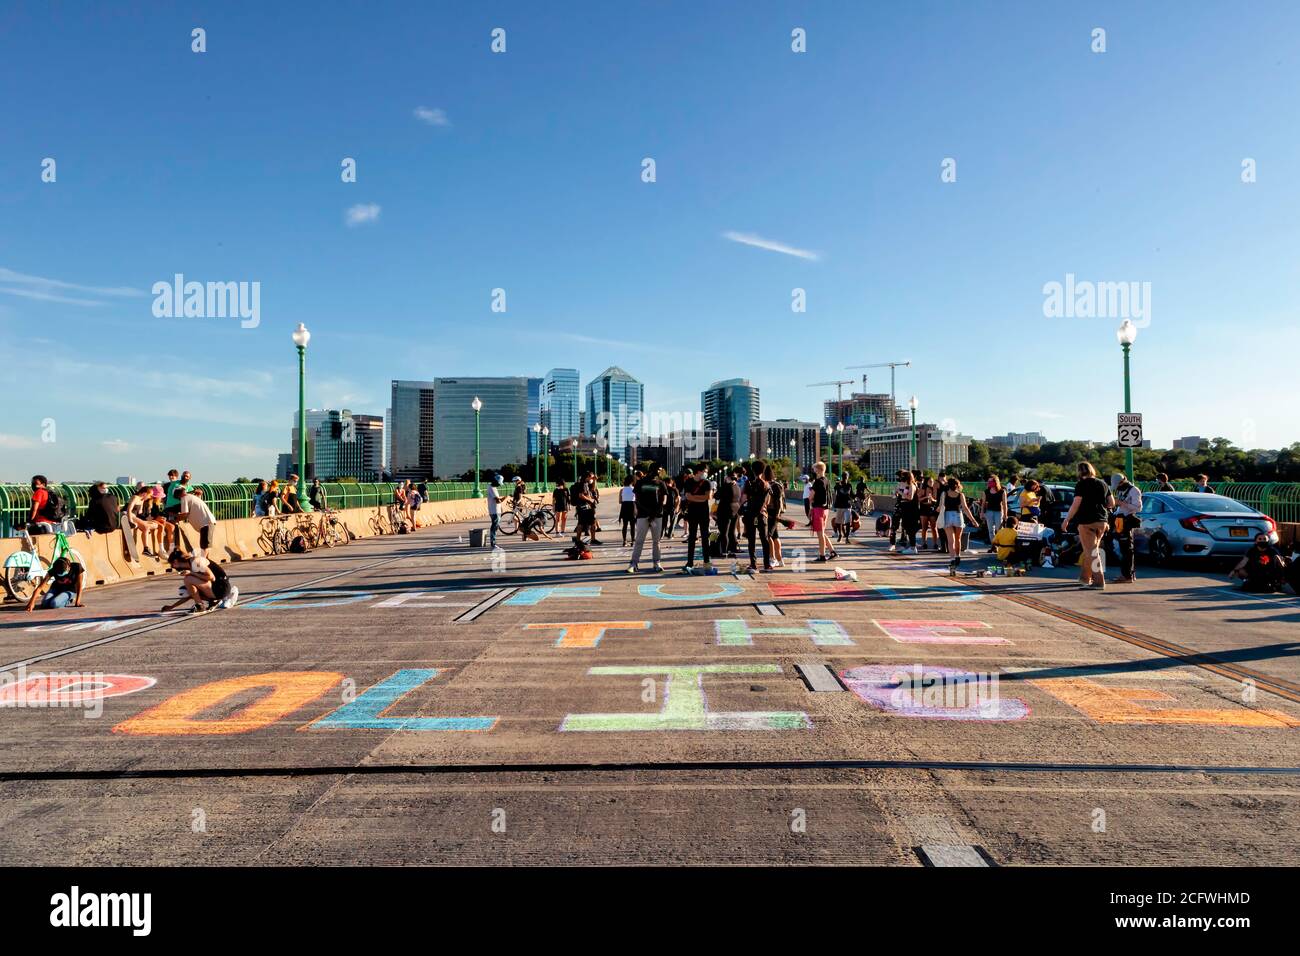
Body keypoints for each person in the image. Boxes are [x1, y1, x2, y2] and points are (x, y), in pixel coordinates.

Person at [1060, 461, 1115, 590]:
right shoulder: (1103, 483)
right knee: (1090, 550)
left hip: (1086, 521)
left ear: (1079, 472)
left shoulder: (1081, 485)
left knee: (1091, 552)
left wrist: (1066, 520)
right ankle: (1085, 578)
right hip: (1102, 521)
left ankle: (1099, 581)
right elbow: (1111, 503)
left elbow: (1076, 504)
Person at [159, 549, 238, 613]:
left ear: (176, 561)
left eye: (172, 565)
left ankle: (200, 606)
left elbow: (211, 577)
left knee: (188, 579)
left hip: (222, 588)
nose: (173, 567)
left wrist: (191, 573)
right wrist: (172, 607)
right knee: (187, 588)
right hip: (216, 588)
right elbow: (191, 594)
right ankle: (213, 601)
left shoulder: (195, 562)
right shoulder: (190, 565)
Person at [627, 468, 666, 573]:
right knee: (639, 541)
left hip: (657, 516)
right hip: (643, 515)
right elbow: (637, 499)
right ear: (650, 471)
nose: (658, 473)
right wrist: (648, 512)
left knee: (656, 541)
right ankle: (634, 563)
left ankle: (656, 562)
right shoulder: (640, 483)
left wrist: (654, 513)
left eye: (659, 471)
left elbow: (663, 500)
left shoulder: (661, 483)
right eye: (657, 470)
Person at [936, 477, 979, 567]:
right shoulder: (960, 495)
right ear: (957, 485)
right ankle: (958, 556)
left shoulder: (944, 494)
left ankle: (952, 559)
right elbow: (965, 508)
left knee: (950, 540)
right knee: (958, 539)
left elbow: (940, 507)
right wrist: (973, 520)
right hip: (957, 515)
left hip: (947, 516)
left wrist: (937, 510)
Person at [1109, 473, 1143, 584]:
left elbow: (1138, 508)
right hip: (1120, 520)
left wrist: (1121, 503)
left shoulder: (1134, 490)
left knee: (1127, 549)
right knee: (1124, 549)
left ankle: (1127, 575)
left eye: (1118, 485)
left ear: (1122, 481)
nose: (1117, 488)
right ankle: (1128, 574)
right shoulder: (1121, 490)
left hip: (1127, 520)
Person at [741, 461, 773, 572]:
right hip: (762, 514)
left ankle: (753, 564)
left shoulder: (748, 483)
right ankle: (767, 564)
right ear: (762, 470)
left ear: (753, 470)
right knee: (764, 539)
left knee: (751, 540)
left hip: (750, 514)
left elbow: (744, 498)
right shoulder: (766, 484)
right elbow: (768, 501)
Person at [681, 464, 713, 571]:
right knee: (692, 538)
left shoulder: (707, 483)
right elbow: (688, 496)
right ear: (698, 472)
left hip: (704, 513)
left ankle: (707, 561)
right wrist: (701, 498)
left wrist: (694, 498)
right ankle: (690, 562)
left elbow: (708, 497)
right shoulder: (689, 482)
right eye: (704, 471)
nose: (706, 473)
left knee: (705, 537)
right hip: (692, 513)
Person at [177, 485, 218, 555]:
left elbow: (185, 514)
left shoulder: (184, 498)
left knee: (204, 546)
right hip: (207, 522)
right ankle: (206, 561)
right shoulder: (192, 497)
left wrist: (176, 518)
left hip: (206, 523)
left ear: (179, 495)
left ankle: (203, 563)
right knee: (204, 546)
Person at [808, 461, 835, 562]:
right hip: (825, 509)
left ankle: (822, 555)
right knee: (822, 532)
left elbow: (811, 496)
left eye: (814, 469)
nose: (813, 471)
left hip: (818, 509)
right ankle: (832, 551)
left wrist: (810, 501)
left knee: (820, 534)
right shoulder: (827, 480)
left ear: (818, 470)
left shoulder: (817, 482)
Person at [127, 484, 164, 557]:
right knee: (146, 527)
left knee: (154, 525)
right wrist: (130, 521)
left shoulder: (142, 500)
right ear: (144, 493)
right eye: (149, 495)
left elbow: (140, 514)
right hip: (128, 515)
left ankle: (145, 549)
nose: (150, 497)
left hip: (135, 517)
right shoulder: (135, 497)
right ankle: (146, 549)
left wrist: (149, 519)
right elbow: (129, 509)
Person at [764, 464, 787, 569]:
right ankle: (780, 560)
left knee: (768, 536)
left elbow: (777, 501)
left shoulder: (772, 485)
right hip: (774, 513)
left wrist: (777, 514)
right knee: (775, 536)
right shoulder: (776, 484)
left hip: (772, 513)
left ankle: (772, 559)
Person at [714, 469, 740, 559]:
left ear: (727, 477)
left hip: (725, 511)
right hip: (735, 510)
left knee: (724, 532)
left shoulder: (726, 486)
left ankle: (724, 551)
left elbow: (716, 495)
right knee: (732, 531)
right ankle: (732, 549)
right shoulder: (737, 487)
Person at [896, 471, 920, 555]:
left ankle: (913, 547)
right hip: (905, 508)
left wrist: (900, 492)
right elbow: (903, 496)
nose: (901, 478)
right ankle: (912, 546)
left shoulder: (911, 486)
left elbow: (910, 497)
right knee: (906, 526)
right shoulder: (906, 485)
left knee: (910, 528)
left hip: (911, 509)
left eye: (903, 476)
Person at [982, 476, 1008, 553]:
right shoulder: (986, 491)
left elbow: (1004, 504)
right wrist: (982, 513)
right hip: (989, 512)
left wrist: (1005, 514)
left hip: (999, 512)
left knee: (999, 530)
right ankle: (993, 546)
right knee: (990, 530)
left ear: (996, 482)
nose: (989, 483)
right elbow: (983, 503)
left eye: (991, 481)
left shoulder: (1002, 491)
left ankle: (1001, 546)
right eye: (988, 481)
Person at [571, 474, 598, 548]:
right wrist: (590, 500)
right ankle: (579, 540)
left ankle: (588, 539)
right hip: (584, 507)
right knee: (582, 523)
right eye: (591, 477)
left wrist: (595, 480)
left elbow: (593, 489)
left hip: (584, 506)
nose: (592, 478)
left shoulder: (585, 484)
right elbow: (581, 495)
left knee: (590, 522)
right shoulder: (583, 484)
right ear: (587, 477)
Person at [916, 477, 938, 550]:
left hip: (932, 509)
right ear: (926, 482)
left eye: (932, 481)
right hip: (924, 509)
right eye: (930, 481)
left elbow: (935, 499)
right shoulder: (923, 489)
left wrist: (932, 499)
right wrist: (925, 497)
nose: (932, 483)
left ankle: (935, 543)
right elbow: (918, 499)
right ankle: (924, 543)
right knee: (924, 528)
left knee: (934, 528)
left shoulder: (934, 489)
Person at [832, 475, 854, 545]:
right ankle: (840, 535)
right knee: (838, 522)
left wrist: (854, 497)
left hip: (847, 506)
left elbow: (851, 494)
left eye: (846, 477)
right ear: (842, 477)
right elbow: (835, 491)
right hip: (839, 506)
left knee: (848, 523)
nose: (845, 478)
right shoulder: (838, 484)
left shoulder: (849, 485)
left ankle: (847, 538)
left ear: (847, 477)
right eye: (844, 477)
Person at [618, 476, 637, 546]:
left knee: (625, 525)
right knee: (632, 526)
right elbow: (637, 500)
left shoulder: (622, 490)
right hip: (632, 507)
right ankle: (632, 541)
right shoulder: (634, 489)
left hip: (624, 507)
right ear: (632, 481)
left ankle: (624, 541)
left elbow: (620, 501)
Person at [486, 476, 503, 549]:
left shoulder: (493, 488)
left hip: (496, 510)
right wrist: (504, 498)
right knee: (494, 527)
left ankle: (494, 542)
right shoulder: (491, 488)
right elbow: (497, 500)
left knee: (496, 526)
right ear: (495, 481)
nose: (499, 485)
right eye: (499, 483)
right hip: (494, 511)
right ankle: (493, 543)